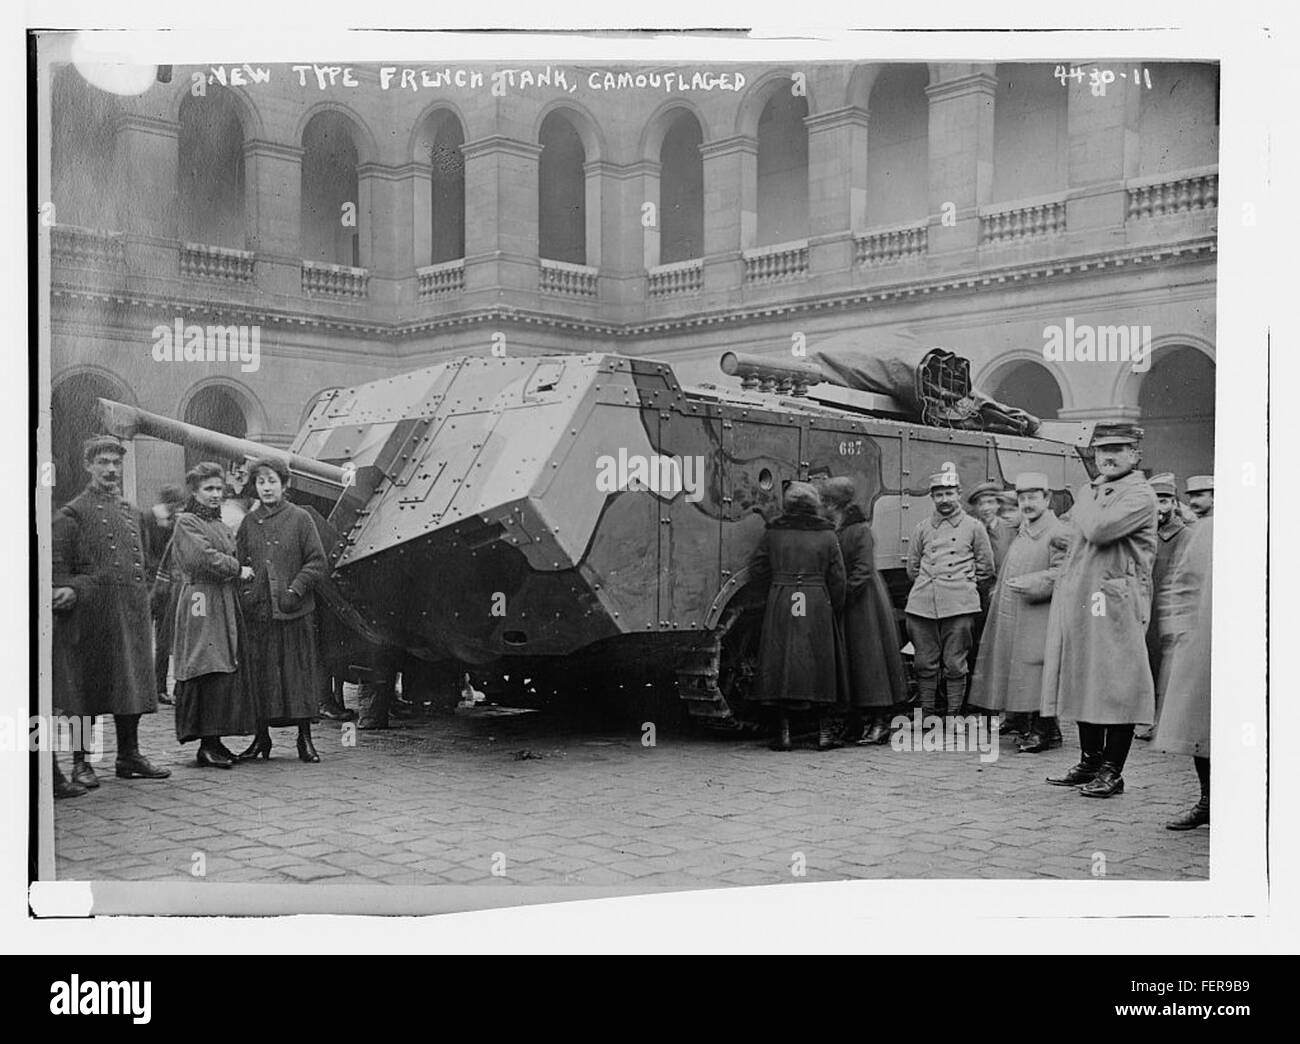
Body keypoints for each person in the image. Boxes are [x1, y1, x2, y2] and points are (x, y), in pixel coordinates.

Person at [1042, 422, 1158, 798]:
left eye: (1118, 449)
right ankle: (1090, 761)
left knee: (1117, 684)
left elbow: (1099, 530)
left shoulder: (1139, 494)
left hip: (1117, 600)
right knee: (1085, 677)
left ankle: (1113, 771)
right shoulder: (1094, 492)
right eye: (1101, 450)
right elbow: (1068, 536)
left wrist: (1084, 497)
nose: (1107, 457)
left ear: (1135, 455)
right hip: (1085, 597)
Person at [49, 435, 171, 784]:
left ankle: (128, 755)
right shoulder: (72, 513)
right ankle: (80, 762)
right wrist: (69, 588)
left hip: (130, 613)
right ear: (89, 465)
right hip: (91, 616)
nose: (111, 470)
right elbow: (59, 568)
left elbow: (144, 562)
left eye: (116, 463)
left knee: (129, 684)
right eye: (103, 462)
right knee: (85, 689)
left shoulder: (132, 512)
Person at [968, 473, 1070, 753]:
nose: (1026, 503)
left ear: (1047, 499)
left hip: (1040, 613)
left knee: (1038, 670)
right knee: (1023, 671)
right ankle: (1035, 726)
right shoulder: (1026, 529)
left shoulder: (1058, 531)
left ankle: (1045, 731)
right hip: (1019, 611)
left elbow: (1065, 572)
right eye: (1022, 498)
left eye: (1033, 497)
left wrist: (1034, 583)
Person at [235, 457, 329, 763]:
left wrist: (295, 589)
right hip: (260, 613)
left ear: (285, 485)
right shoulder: (249, 522)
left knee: (297, 676)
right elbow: (241, 561)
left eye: (272, 481)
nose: (266, 487)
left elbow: (317, 562)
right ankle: (261, 739)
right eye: (261, 482)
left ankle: (305, 740)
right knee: (261, 678)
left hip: (294, 611)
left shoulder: (301, 518)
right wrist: (249, 589)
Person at [170, 463, 259, 768]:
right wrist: (237, 570)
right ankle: (206, 744)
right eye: (208, 489)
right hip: (201, 600)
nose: (215, 495)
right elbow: (202, 558)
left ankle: (215, 741)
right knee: (204, 663)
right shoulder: (186, 522)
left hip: (222, 599)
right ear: (194, 492)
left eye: (219, 489)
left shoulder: (220, 525)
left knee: (222, 665)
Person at [748, 481, 847, 752]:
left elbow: (756, 568)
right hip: (816, 600)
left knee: (782, 662)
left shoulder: (774, 532)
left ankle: (784, 734)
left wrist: (776, 588)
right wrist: (831, 606)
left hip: (782, 597)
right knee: (821, 663)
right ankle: (825, 733)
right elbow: (838, 578)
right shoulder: (827, 535)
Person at [819, 477, 906, 744]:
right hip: (851, 601)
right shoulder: (839, 528)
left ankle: (880, 723)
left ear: (833, 504)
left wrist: (840, 594)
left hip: (864, 604)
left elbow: (864, 570)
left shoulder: (859, 531)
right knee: (854, 664)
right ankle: (858, 723)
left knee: (871, 663)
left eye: (824, 502)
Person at [905, 467, 995, 719]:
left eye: (949, 493)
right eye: (938, 495)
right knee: (924, 663)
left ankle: (954, 714)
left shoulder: (974, 527)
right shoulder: (922, 528)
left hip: (959, 605)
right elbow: (912, 567)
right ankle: (927, 714)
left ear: (959, 494)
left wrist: (962, 586)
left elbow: (986, 567)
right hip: (923, 604)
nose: (944, 499)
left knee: (955, 663)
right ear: (932, 498)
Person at [1155, 516, 1213, 830]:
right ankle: (1207, 801)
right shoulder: (1205, 531)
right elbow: (1181, 583)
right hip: (1206, 643)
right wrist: (1180, 630)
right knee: (1203, 729)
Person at [1136, 473, 1194, 741]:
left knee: (1162, 666)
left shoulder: (1184, 536)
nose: (1159, 507)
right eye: (1154, 501)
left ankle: (1159, 721)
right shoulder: (1142, 534)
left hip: (1165, 610)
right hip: (1141, 608)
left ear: (1174, 503)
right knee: (1144, 663)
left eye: (1165, 500)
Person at [148, 484, 185, 705]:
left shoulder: (175, 521)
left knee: (167, 639)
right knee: (161, 641)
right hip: (157, 586)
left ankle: (165, 687)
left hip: (169, 586)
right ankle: (158, 687)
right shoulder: (150, 519)